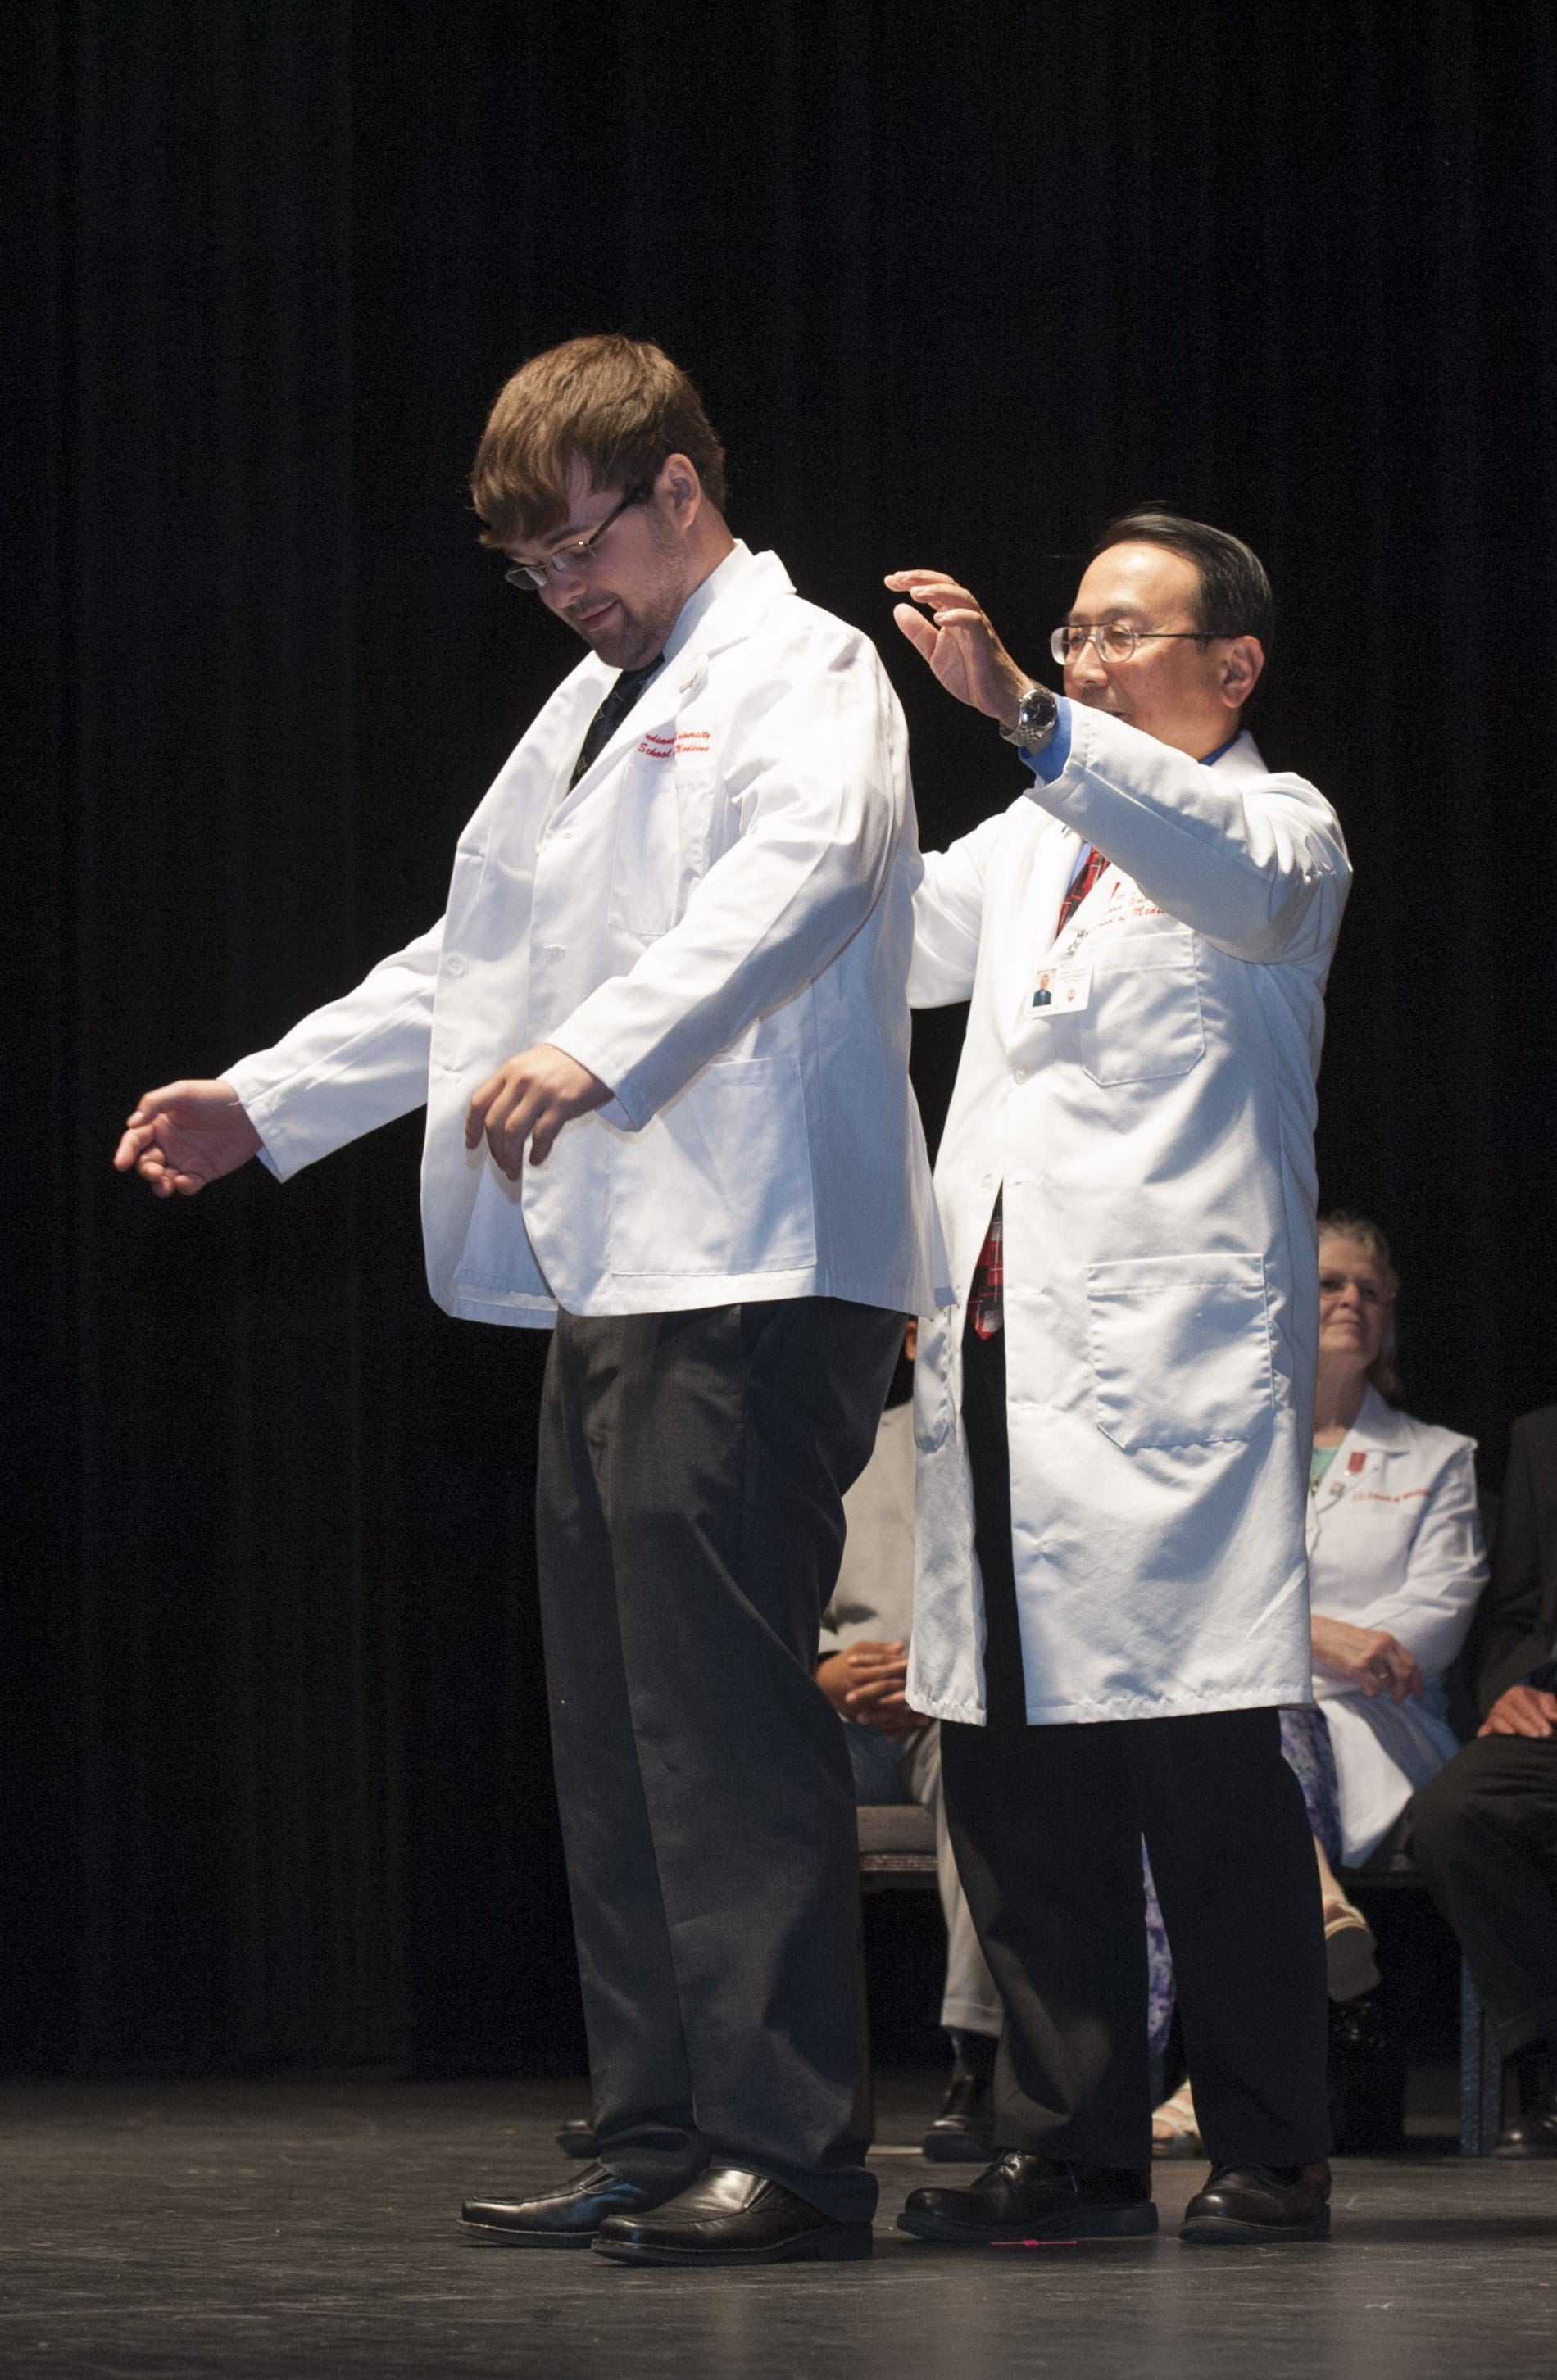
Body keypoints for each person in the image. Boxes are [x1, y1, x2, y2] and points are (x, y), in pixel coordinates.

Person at [114, 335, 946, 2269]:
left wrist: (598, 1042)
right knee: (617, 1722)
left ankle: (790, 2149)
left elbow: (810, 878)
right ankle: (660, 2128)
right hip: (624, 1265)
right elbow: (467, 963)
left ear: (677, 490)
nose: (563, 590)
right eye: (531, 568)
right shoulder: (590, 703)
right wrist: (273, 1102)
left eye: (582, 545)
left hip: (753, 1256)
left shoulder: (802, 667)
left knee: (722, 1720)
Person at [880, 511, 1351, 2246]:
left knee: (1198, 1775)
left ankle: (1266, 2144)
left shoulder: (1280, 831)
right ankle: (1067, 2142)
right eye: (1067, 632)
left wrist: (1017, 710)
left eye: (1115, 631)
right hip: (997, 1360)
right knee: (1013, 1769)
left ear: (1229, 665)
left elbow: (1204, 856)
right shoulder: (1026, 844)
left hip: (1165, 1384)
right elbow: (882, 936)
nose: (1076, 656)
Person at [1148, 1211, 1488, 2156]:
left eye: (1368, 1292)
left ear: (1389, 1320)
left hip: (1380, 1728)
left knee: (1244, 1742)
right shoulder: (1231, 1445)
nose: (1349, 1302)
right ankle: (1316, 1911)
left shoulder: (1437, 1458)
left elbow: (1436, 1617)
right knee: (1242, 1738)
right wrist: (1322, 1637)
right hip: (1250, 1712)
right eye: (1330, 1283)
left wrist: (1306, 1648)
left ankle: (1186, 2072)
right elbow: (1190, 1593)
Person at [815, 1323, 1005, 2158]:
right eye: (928, 1326)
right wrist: (823, 1673)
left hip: (961, 1711)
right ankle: (714, 2074)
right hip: (842, 1715)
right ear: (902, 1340)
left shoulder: (1025, 1452)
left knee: (980, 1776)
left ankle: (980, 2063)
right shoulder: (845, 1450)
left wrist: (947, 1673)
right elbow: (777, 1605)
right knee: (728, 1775)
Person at [1411, 1403, 1557, 2152]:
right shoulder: (1542, 1436)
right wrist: (1513, 1684)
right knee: (1453, 1813)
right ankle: (1545, 2057)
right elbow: (1518, 1610)